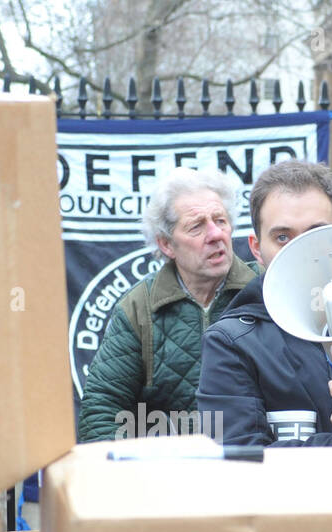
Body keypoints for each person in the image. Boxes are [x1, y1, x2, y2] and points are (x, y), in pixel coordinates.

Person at [196, 160, 332, 446]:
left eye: (315, 233)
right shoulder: (231, 345)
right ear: (257, 249)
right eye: (283, 237)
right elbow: (238, 461)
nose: (301, 250)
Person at [77, 167, 258, 442]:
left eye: (220, 221)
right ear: (166, 244)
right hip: (169, 472)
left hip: (256, 465)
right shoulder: (139, 308)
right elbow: (100, 410)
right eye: (197, 226)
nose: (215, 234)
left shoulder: (264, 290)